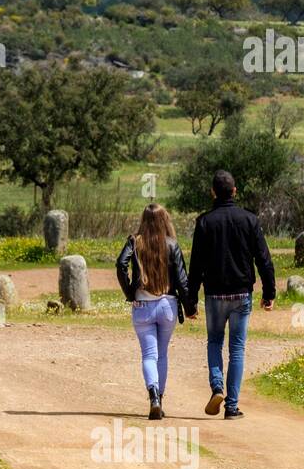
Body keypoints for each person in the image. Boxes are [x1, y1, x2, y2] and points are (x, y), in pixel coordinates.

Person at [186, 169, 276, 420]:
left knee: (214, 342)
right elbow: (264, 260)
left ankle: (217, 387)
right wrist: (269, 292)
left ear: (212, 192)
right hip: (241, 294)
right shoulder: (249, 220)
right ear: (235, 191)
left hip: (214, 294)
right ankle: (232, 406)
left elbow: (196, 265)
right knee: (237, 348)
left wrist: (190, 300)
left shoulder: (204, 222)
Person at [116, 204, 196, 420]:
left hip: (143, 306)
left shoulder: (135, 241)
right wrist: (190, 308)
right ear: (165, 220)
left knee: (149, 355)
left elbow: (120, 264)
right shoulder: (171, 244)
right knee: (162, 354)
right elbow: (182, 280)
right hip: (167, 306)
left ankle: (153, 397)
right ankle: (160, 397)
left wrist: (131, 292)